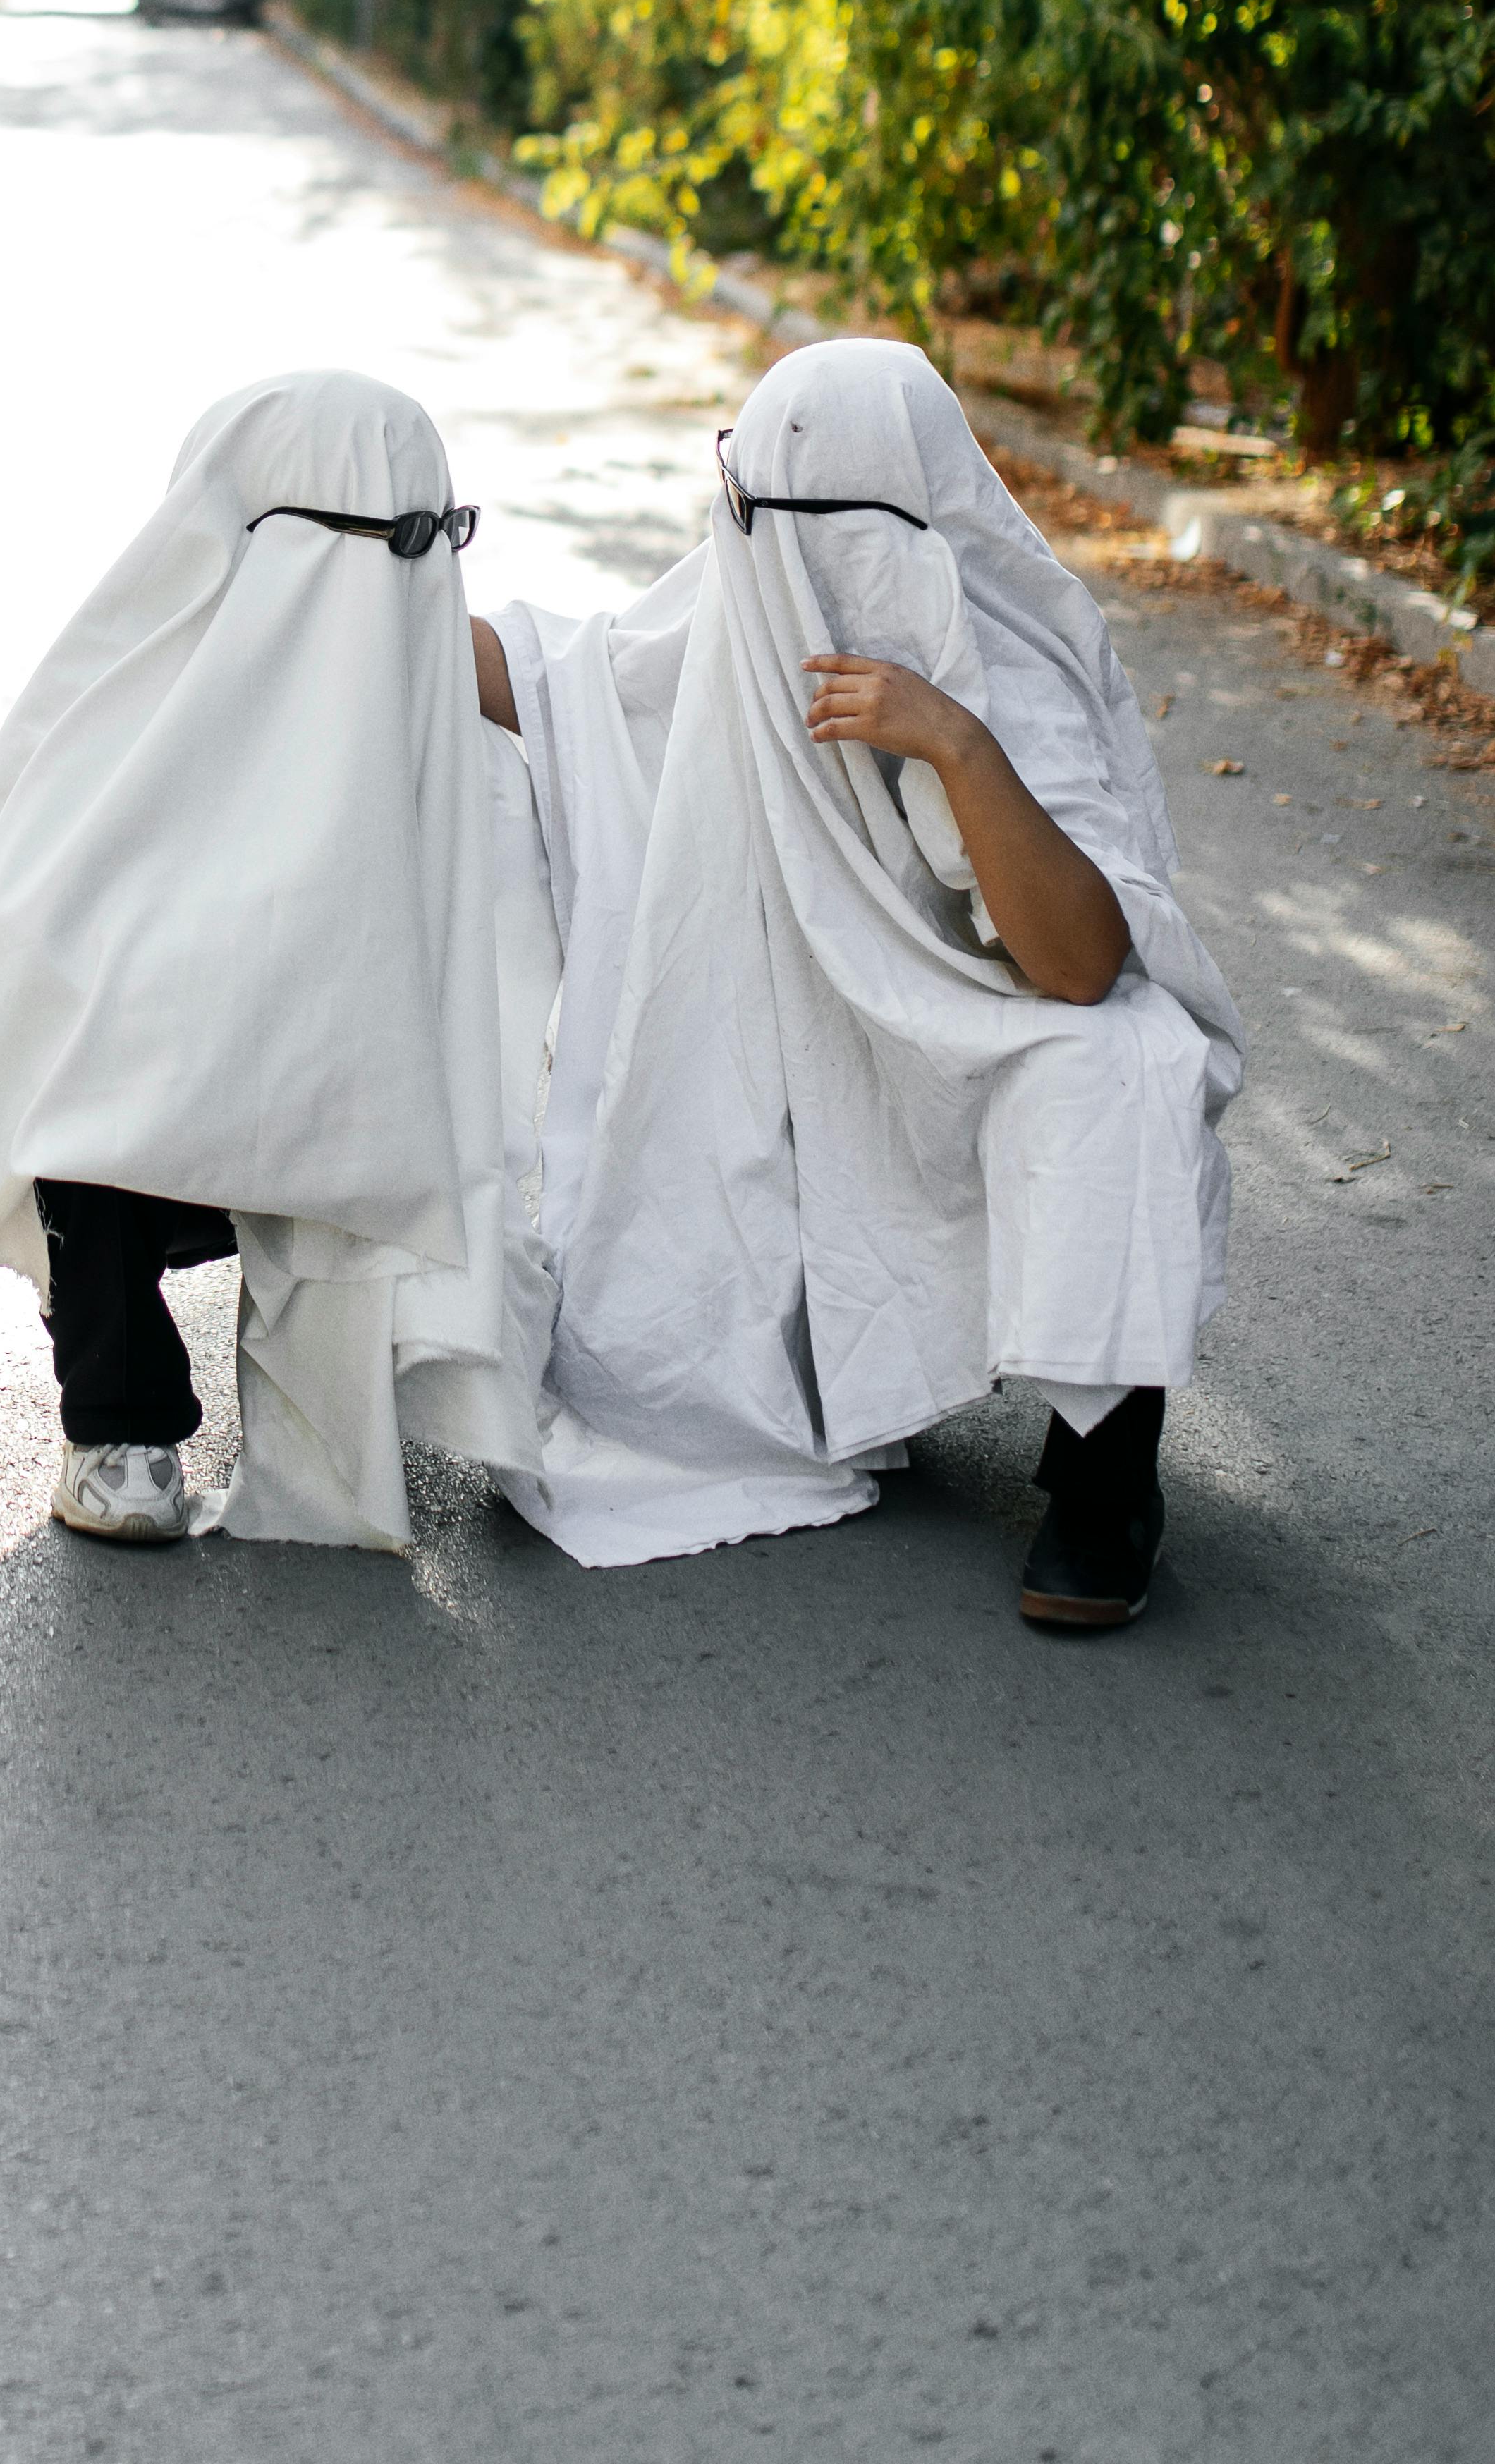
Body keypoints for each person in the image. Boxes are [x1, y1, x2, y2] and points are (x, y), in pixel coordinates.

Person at [487, 334, 1243, 1621]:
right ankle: (814, 1381)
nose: (787, 565)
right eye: (756, 515)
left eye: (815, 535)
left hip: (986, 1024)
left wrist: (952, 741)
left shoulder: (1015, 665)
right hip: (819, 1026)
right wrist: (355, 573)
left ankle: (1104, 1478)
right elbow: (573, 682)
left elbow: (1079, 965)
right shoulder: (749, 596)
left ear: (906, 522)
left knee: (1122, 1066)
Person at [0, 367, 552, 1552]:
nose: (397, 570)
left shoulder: (432, 702)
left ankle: (348, 1396)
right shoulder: (140, 686)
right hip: (159, 1141)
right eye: (391, 538)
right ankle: (123, 1421)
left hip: (355, 1129)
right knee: (83, 1072)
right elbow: (27, 931)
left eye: (425, 538)